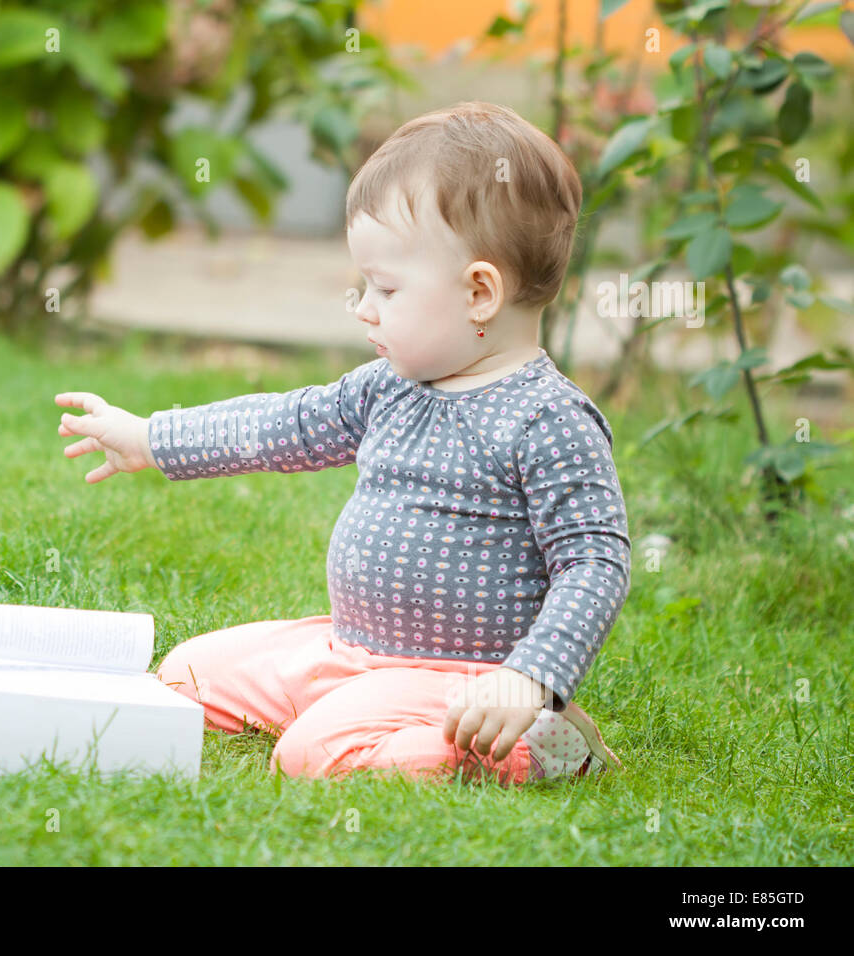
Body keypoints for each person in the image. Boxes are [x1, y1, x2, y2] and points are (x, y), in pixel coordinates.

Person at [55, 102, 629, 786]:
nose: (362, 306)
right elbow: (279, 426)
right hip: (350, 648)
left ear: (480, 292)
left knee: (307, 756)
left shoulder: (547, 420)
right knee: (185, 678)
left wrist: (530, 677)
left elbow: (594, 562)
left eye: (385, 287)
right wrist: (152, 437)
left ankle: (539, 745)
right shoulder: (387, 387)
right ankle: (357, 708)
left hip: (466, 679)